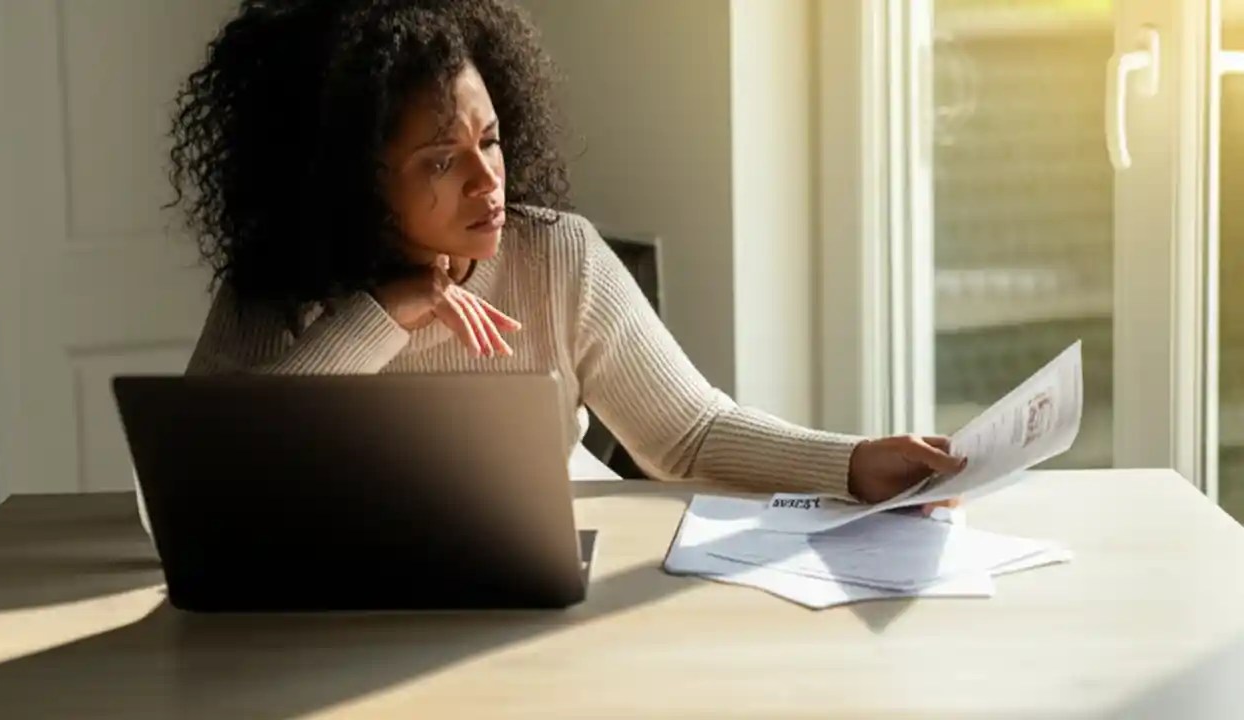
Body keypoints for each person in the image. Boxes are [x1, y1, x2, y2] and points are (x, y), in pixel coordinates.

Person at [166, 0, 965, 506]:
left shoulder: (556, 258)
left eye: (490, 140)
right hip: (342, 616)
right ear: (345, 177)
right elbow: (210, 474)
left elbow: (688, 436)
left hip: (542, 607)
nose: (488, 180)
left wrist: (853, 464)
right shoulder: (279, 284)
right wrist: (385, 311)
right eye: (442, 161)